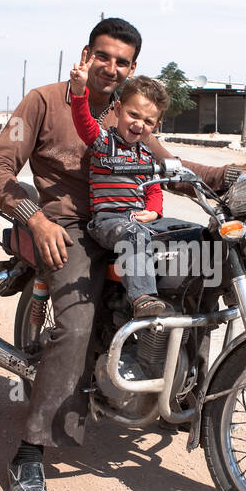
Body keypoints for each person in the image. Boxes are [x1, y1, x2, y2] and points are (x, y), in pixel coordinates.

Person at [0, 17, 246, 491]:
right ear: (87, 53)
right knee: (77, 326)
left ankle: (178, 386)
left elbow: (176, 170)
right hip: (67, 228)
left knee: (206, 260)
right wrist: (36, 221)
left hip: (124, 223)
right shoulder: (44, 101)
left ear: (132, 69)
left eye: (121, 61)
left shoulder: (131, 116)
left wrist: (235, 176)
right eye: (103, 56)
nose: (110, 67)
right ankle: (31, 450)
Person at [69, 56, 170, 318]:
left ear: (156, 126)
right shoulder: (104, 142)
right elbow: (84, 123)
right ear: (117, 109)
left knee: (184, 234)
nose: (139, 124)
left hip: (137, 221)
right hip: (107, 221)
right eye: (133, 115)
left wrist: (154, 211)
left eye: (148, 121)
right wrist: (79, 93)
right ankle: (142, 298)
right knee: (135, 234)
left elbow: (154, 190)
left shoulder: (147, 155)